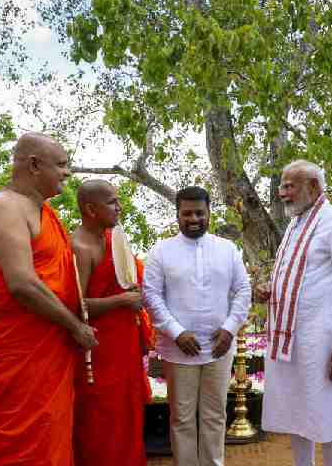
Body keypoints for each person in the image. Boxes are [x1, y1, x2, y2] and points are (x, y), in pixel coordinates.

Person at [0, 132, 97, 466]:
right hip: (6, 360)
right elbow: (22, 284)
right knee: (8, 449)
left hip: (44, 356)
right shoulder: (3, 207)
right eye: (61, 165)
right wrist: (74, 326)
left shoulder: (45, 214)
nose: (67, 173)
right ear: (34, 164)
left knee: (47, 440)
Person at [255, 160, 332, 466]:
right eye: (282, 186)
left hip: (324, 343)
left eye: (290, 186)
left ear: (314, 187)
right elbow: (300, 277)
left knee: (328, 418)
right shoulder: (295, 225)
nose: (282, 193)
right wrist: (272, 288)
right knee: (297, 416)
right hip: (290, 340)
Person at [143, 186, 252, 466]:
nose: (194, 218)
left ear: (209, 213)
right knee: (181, 416)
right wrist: (177, 333)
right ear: (177, 215)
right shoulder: (161, 251)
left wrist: (229, 329)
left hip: (219, 346)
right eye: (187, 213)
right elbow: (151, 296)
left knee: (215, 415)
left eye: (199, 213)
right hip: (178, 349)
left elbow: (242, 290)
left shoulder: (228, 249)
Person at [71, 179, 153, 466]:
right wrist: (120, 301)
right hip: (97, 348)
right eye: (112, 202)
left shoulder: (112, 239)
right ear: (90, 209)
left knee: (126, 414)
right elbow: (73, 306)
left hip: (124, 346)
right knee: (100, 418)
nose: (119, 207)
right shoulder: (79, 247)